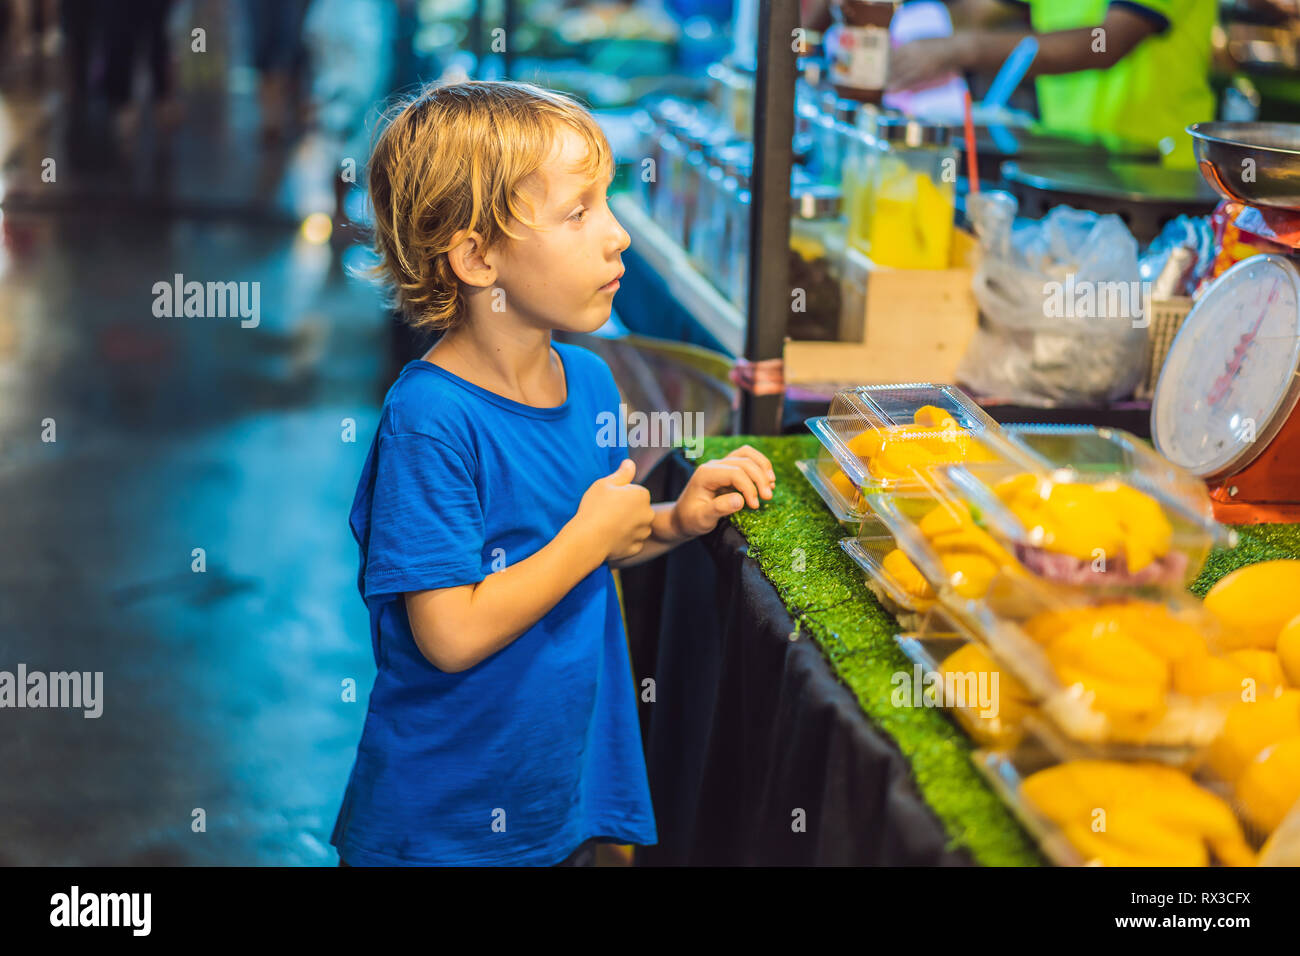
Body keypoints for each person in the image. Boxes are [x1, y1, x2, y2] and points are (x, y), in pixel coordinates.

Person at [330, 80, 777, 867]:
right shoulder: (432, 419)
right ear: (476, 256)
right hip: (447, 825)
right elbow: (451, 633)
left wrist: (674, 519)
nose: (618, 238)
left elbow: (593, 541)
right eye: (579, 213)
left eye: (608, 203)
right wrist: (590, 535)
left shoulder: (591, 382)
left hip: (558, 795)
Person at [887, 0, 1217, 166]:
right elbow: (980, 11)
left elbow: (1106, 43)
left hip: (1156, 169)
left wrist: (960, 49)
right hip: (1069, 159)